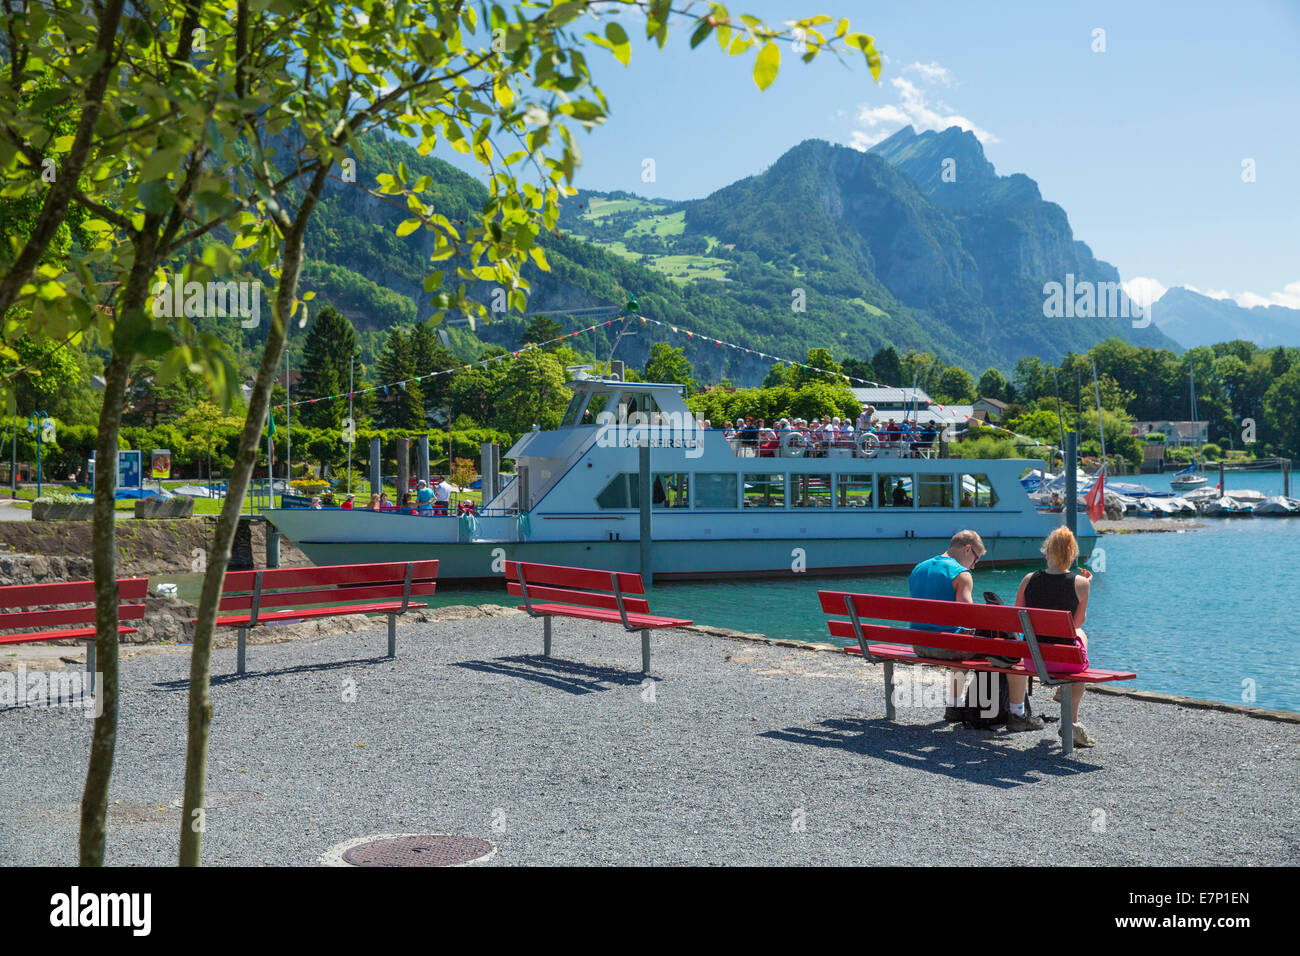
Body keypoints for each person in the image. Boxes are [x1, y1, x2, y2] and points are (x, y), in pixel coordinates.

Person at [909, 530, 1043, 731]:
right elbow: (968, 618)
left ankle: (954, 707)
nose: (974, 565)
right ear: (967, 549)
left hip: (919, 645)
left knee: (958, 637)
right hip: (948, 649)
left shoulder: (918, 569)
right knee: (1016, 653)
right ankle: (1018, 714)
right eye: (976, 559)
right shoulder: (961, 574)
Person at [1014, 527, 1095, 748]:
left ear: (1047, 553)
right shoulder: (1081, 583)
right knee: (1080, 637)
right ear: (1071, 556)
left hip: (1032, 659)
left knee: (1076, 642)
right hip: (1064, 660)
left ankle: (1072, 722)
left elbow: (1017, 617)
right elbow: (1076, 624)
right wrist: (1086, 585)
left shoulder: (1029, 579)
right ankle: (1072, 722)